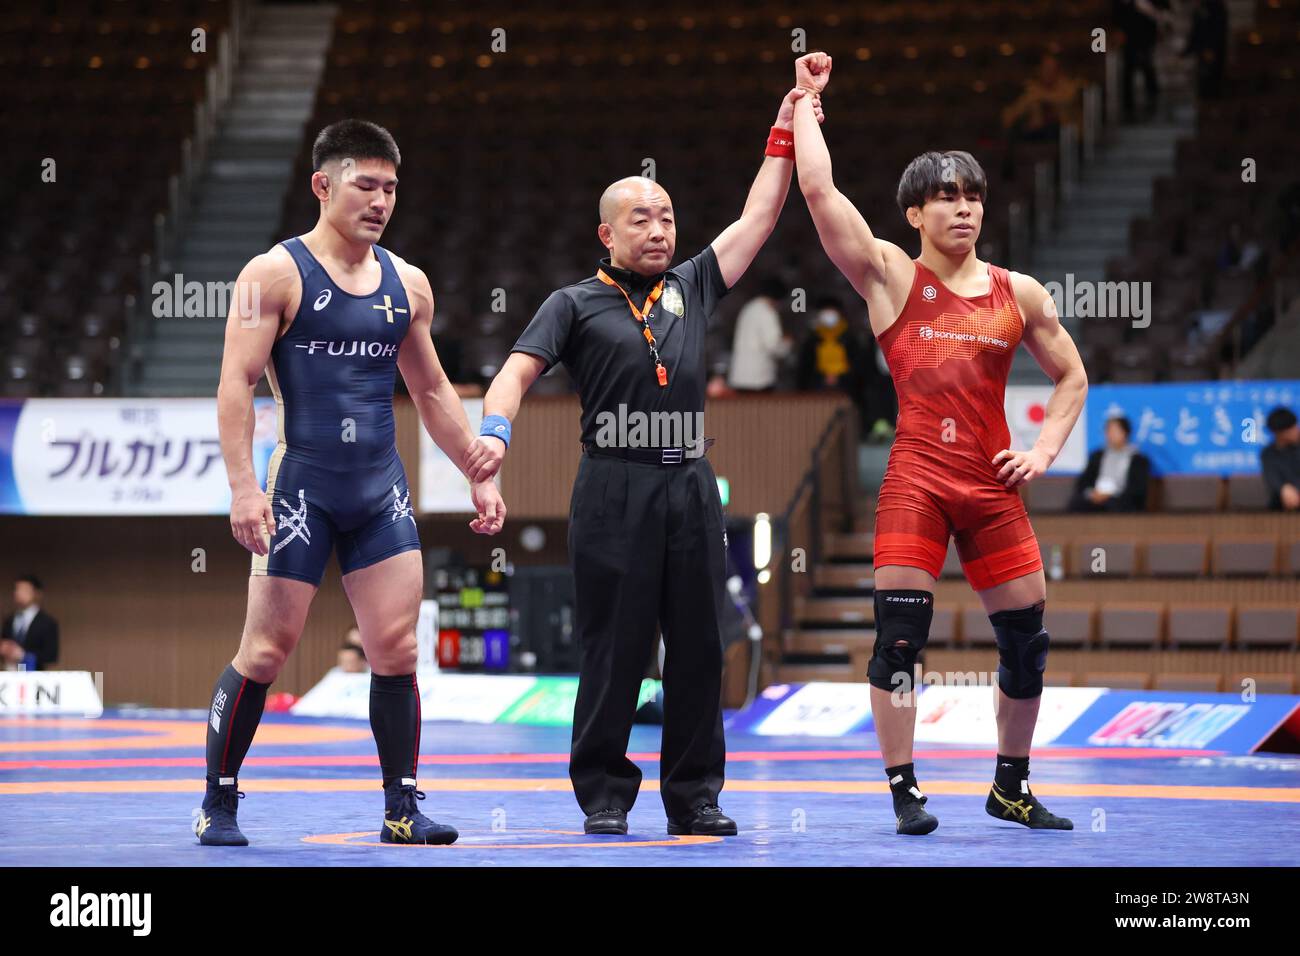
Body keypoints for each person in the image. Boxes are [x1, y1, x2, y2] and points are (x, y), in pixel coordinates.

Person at [462, 87, 825, 837]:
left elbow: (757, 218)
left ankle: (695, 796)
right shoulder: (572, 303)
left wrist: (785, 129)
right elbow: (516, 373)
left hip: (691, 483)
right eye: (641, 219)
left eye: (666, 217)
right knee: (614, 649)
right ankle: (604, 793)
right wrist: (493, 437)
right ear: (607, 231)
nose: (659, 229)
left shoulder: (692, 284)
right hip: (611, 487)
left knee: (698, 646)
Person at [792, 52, 1088, 835]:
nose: (963, 210)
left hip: (993, 484)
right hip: (917, 478)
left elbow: (1072, 380)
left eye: (972, 197)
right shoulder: (889, 277)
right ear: (913, 215)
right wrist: (804, 104)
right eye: (944, 199)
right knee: (899, 640)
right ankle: (903, 788)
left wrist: (1044, 452)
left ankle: (1011, 786)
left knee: (1027, 641)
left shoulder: (1016, 292)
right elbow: (819, 193)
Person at [199, 119, 505, 847]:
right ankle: (218, 800)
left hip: (380, 490)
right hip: (300, 485)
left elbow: (431, 392)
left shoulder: (409, 285)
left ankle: (402, 808)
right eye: (364, 184)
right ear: (323, 184)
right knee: (267, 651)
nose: (379, 201)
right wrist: (244, 489)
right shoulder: (270, 275)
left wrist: (477, 475)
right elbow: (236, 384)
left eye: (390, 188)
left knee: (396, 648)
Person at [1068, 415, 1151, 512]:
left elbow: (1138, 489)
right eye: (1108, 431)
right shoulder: (1097, 455)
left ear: (1125, 433)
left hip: (1120, 498)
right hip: (1096, 495)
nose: (1110, 434)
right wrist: (1092, 493)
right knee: (1077, 504)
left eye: (1115, 431)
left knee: (1117, 505)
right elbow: (1083, 482)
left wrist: (1109, 495)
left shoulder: (1138, 459)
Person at [727, 276, 793, 391]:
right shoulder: (768, 312)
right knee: (760, 409)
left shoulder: (749, 307)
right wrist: (787, 343)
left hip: (740, 376)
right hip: (759, 379)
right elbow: (773, 345)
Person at [0, 575, 59, 671]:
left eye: (24, 590)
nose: (19, 593)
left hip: (35, 675)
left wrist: (23, 655)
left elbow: (51, 656)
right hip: (10, 672)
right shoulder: (9, 620)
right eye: (17, 589)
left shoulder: (47, 622)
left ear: (36, 593)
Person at [1262, 406, 1300, 512]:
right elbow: (1271, 477)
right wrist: (1283, 489)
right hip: (1280, 504)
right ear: (1279, 433)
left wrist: (1296, 489)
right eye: (1291, 429)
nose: (1296, 430)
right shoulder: (1268, 453)